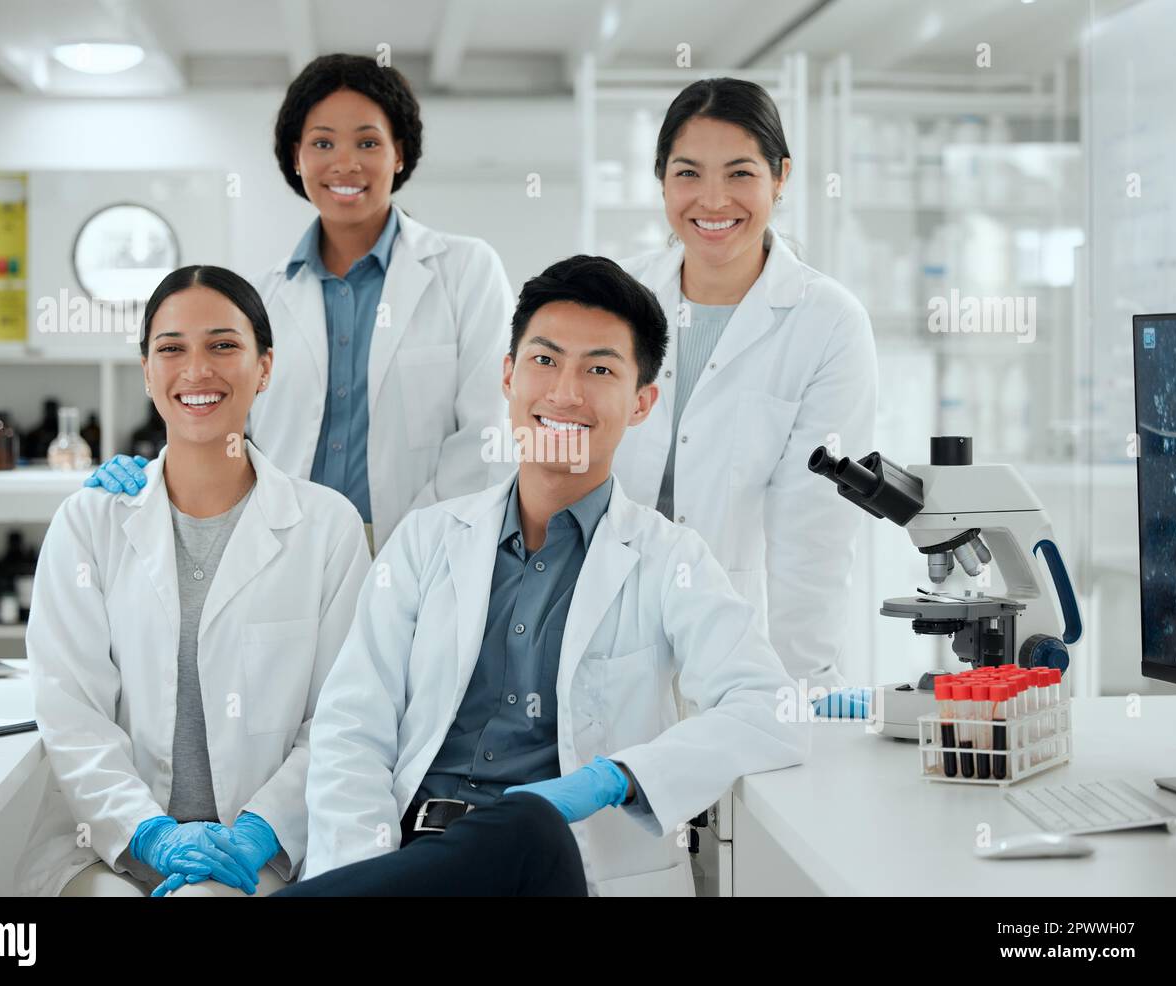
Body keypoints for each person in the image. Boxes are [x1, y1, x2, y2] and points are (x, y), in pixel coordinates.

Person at [277, 255, 809, 897]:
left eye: (601, 370)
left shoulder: (672, 560)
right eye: (545, 360)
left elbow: (769, 710)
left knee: (526, 822)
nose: (565, 393)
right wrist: (367, 868)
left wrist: (615, 778)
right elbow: (352, 728)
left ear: (643, 402)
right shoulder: (426, 540)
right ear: (507, 375)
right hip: (407, 859)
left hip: (564, 873)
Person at [15, 266, 369, 897]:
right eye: (171, 348)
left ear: (264, 367)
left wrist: (261, 828)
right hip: (107, 849)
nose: (196, 370)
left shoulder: (327, 528)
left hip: (255, 855)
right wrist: (151, 833)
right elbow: (70, 713)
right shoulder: (90, 522)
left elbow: (341, 718)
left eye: (223, 345)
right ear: (147, 370)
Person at [86, 53, 514, 554]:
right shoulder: (259, 296)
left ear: (399, 153)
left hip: (425, 541)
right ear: (296, 157)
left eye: (368, 142)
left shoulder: (466, 271)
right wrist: (154, 474)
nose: (345, 163)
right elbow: (226, 431)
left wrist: (417, 544)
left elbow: (491, 433)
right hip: (282, 545)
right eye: (323, 142)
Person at [613, 78, 878, 690]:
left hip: (742, 643)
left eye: (739, 173)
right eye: (687, 174)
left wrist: (794, 687)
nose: (712, 200)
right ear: (661, 180)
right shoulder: (615, 298)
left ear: (780, 177)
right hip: (608, 628)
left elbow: (814, 533)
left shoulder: (827, 322)